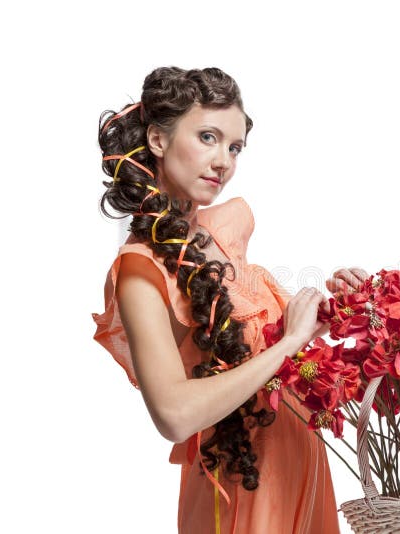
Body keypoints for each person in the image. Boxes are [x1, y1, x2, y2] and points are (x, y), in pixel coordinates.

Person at [92, 66, 368, 534]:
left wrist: (335, 314)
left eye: (235, 147)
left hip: (301, 469)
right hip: (239, 488)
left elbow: (261, 345)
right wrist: (288, 345)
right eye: (207, 137)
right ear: (158, 140)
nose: (224, 161)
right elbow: (175, 416)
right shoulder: (139, 271)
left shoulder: (222, 234)